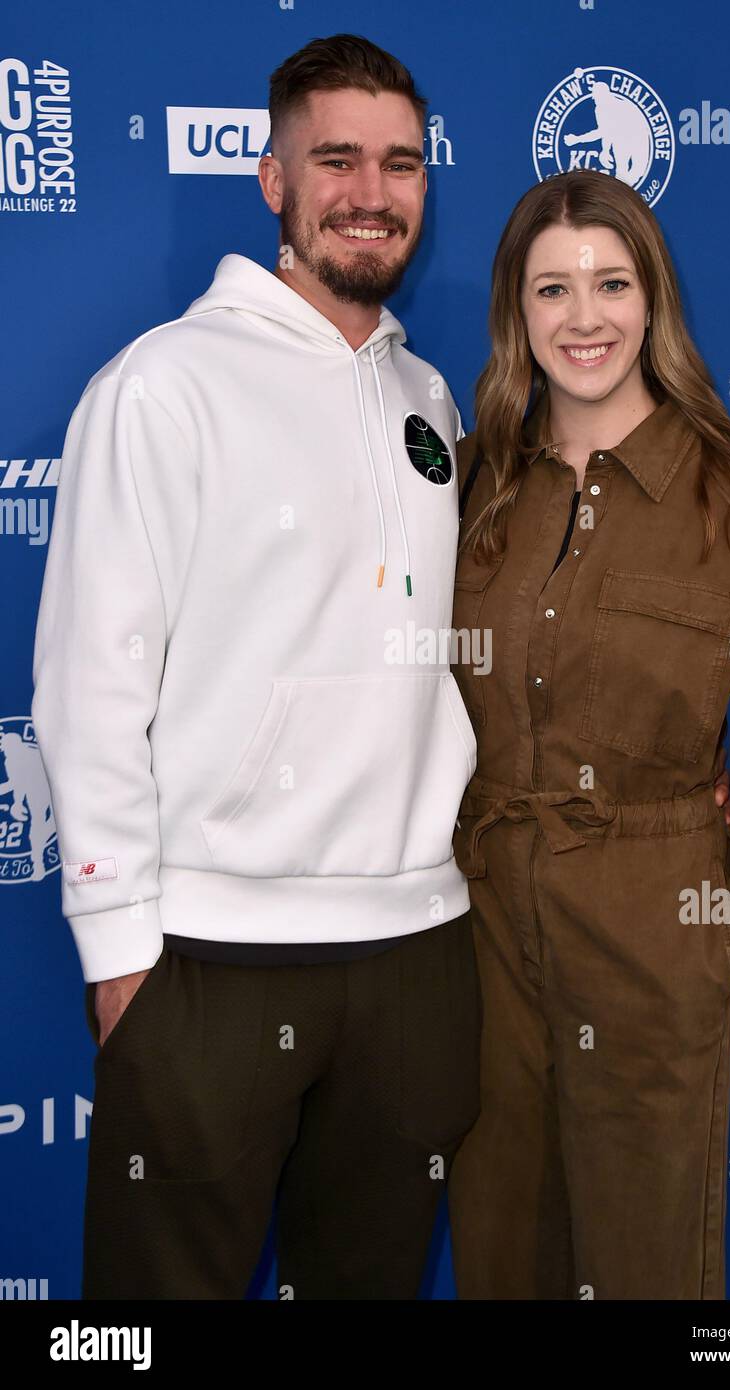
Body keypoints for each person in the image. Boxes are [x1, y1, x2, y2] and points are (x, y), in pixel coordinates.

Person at [30, 34, 483, 1300]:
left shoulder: (431, 400)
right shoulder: (162, 387)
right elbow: (90, 682)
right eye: (334, 157)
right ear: (272, 177)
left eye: (399, 163)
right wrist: (121, 959)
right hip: (207, 961)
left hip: (415, 955)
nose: (370, 190)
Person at [446, 168, 730, 1300]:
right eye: (551, 289)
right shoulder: (477, 485)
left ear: (652, 301)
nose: (582, 317)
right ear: (515, 311)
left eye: (609, 282)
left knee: (644, 1273)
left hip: (651, 939)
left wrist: (725, 928)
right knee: (501, 1252)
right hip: (481, 937)